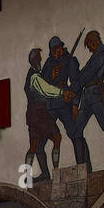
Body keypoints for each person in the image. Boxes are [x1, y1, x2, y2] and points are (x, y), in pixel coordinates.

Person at [67, 30, 104, 171]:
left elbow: (86, 75)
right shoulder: (95, 56)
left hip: (95, 94)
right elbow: (82, 76)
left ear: (95, 42)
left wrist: (73, 87)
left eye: (90, 46)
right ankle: (83, 167)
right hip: (87, 96)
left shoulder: (102, 54)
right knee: (76, 129)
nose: (89, 50)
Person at [23, 47, 62, 182]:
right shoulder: (34, 76)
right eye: (39, 58)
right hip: (40, 113)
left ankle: (32, 176)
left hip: (32, 115)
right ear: (35, 60)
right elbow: (46, 89)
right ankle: (55, 171)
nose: (41, 60)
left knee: (35, 145)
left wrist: (51, 78)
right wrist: (62, 93)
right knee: (57, 138)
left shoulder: (32, 75)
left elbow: (43, 86)